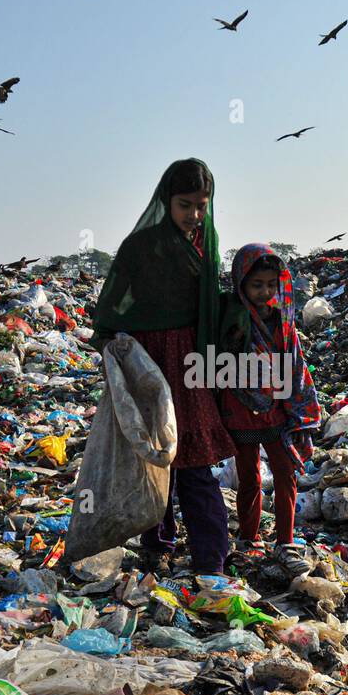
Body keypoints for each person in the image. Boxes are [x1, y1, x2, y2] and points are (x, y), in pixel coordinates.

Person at [92, 158, 235, 576]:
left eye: (201, 206)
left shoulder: (206, 243)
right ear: (166, 202)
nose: (193, 215)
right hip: (151, 361)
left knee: (193, 462)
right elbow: (114, 300)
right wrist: (114, 344)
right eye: (184, 204)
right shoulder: (142, 245)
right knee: (157, 458)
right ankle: (158, 545)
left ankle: (211, 558)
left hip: (191, 362)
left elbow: (209, 304)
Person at [219, 244, 321, 576]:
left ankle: (286, 542)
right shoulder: (231, 317)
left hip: (277, 409)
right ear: (241, 284)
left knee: (285, 474)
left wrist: (296, 402)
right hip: (242, 409)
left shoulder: (283, 318)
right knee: (248, 478)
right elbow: (222, 363)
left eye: (270, 285)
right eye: (256, 285)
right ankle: (249, 540)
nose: (264, 292)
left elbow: (294, 358)